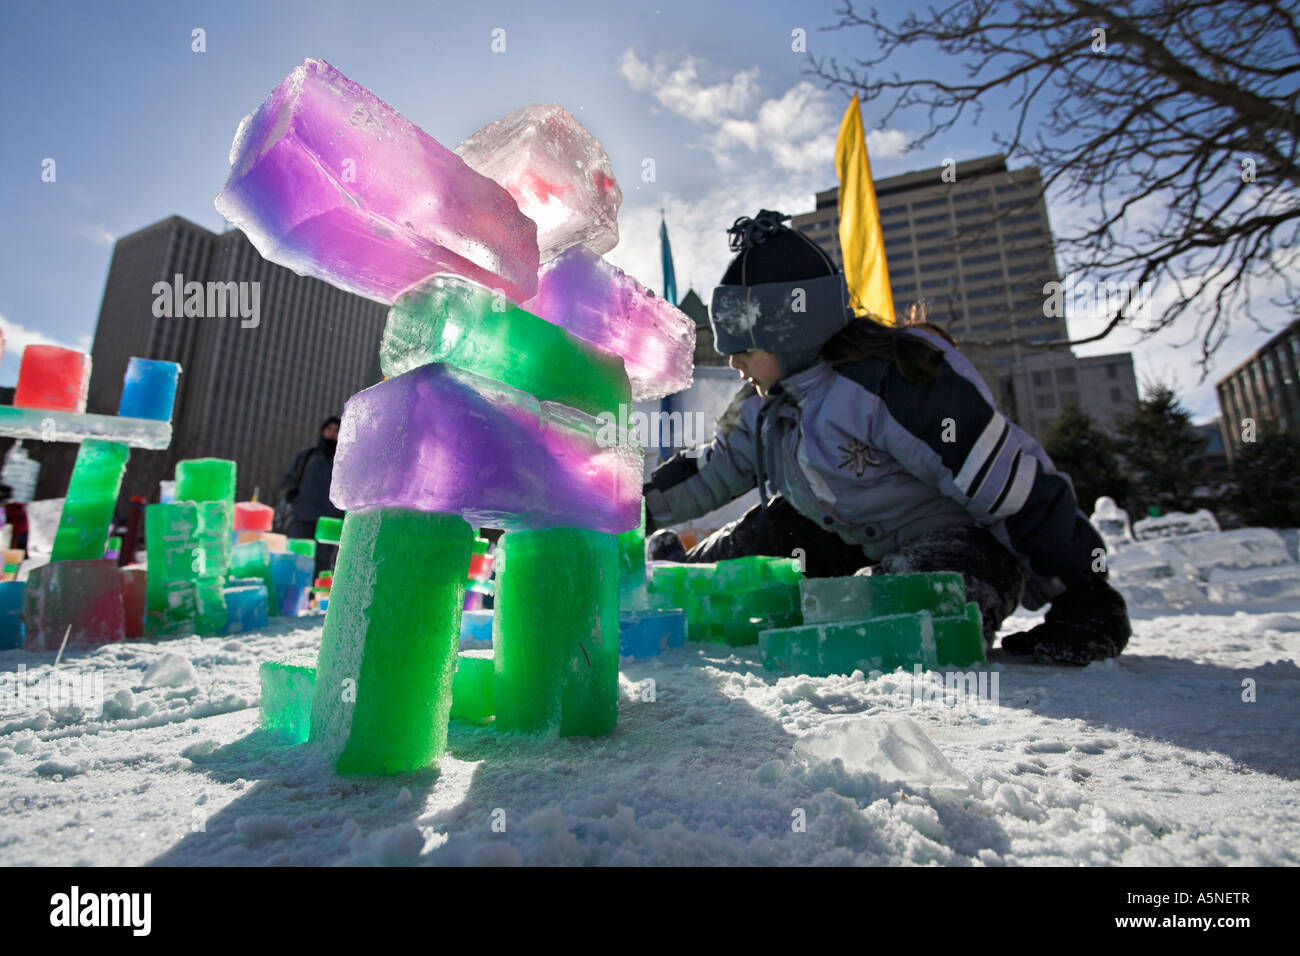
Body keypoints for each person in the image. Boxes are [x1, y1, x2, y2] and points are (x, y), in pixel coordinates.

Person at [643, 210, 1131, 666]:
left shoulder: (891, 382)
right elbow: (712, 469)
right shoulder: (762, 405)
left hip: (958, 543)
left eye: (743, 347)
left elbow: (1011, 484)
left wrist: (1083, 593)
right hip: (845, 535)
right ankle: (684, 582)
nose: (733, 362)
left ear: (790, 332)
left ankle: (921, 613)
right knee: (764, 537)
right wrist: (633, 508)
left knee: (917, 590)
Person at [281, 416, 344, 576]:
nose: (332, 433)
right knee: (296, 559)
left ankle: (314, 600)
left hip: (330, 520)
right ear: (323, 431)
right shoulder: (308, 456)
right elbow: (291, 477)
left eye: (336, 430)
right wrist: (292, 496)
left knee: (323, 567)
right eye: (329, 429)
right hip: (303, 516)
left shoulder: (344, 459)